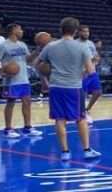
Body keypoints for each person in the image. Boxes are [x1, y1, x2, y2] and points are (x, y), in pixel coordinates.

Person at [38, 17, 99, 162]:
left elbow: (38, 65)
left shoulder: (50, 46)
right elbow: (91, 71)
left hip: (56, 87)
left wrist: (45, 79)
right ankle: (86, 150)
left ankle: (65, 152)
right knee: (80, 118)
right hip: (74, 87)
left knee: (60, 119)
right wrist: (80, 71)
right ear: (76, 31)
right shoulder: (82, 47)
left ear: (61, 29)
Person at [0, 23, 42, 138]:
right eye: (20, 29)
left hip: (24, 79)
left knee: (27, 102)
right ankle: (8, 129)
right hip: (11, 80)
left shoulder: (22, 44)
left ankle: (27, 127)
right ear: (13, 30)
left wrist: (37, 51)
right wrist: (0, 72)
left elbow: (28, 60)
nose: (22, 31)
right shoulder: (4, 45)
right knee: (10, 103)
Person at [78, 25, 102, 125]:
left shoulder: (91, 43)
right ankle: (82, 113)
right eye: (84, 31)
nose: (86, 33)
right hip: (81, 73)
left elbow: (95, 56)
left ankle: (87, 109)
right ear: (79, 32)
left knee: (98, 92)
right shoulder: (75, 44)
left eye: (87, 32)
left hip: (92, 72)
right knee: (82, 95)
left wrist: (97, 58)